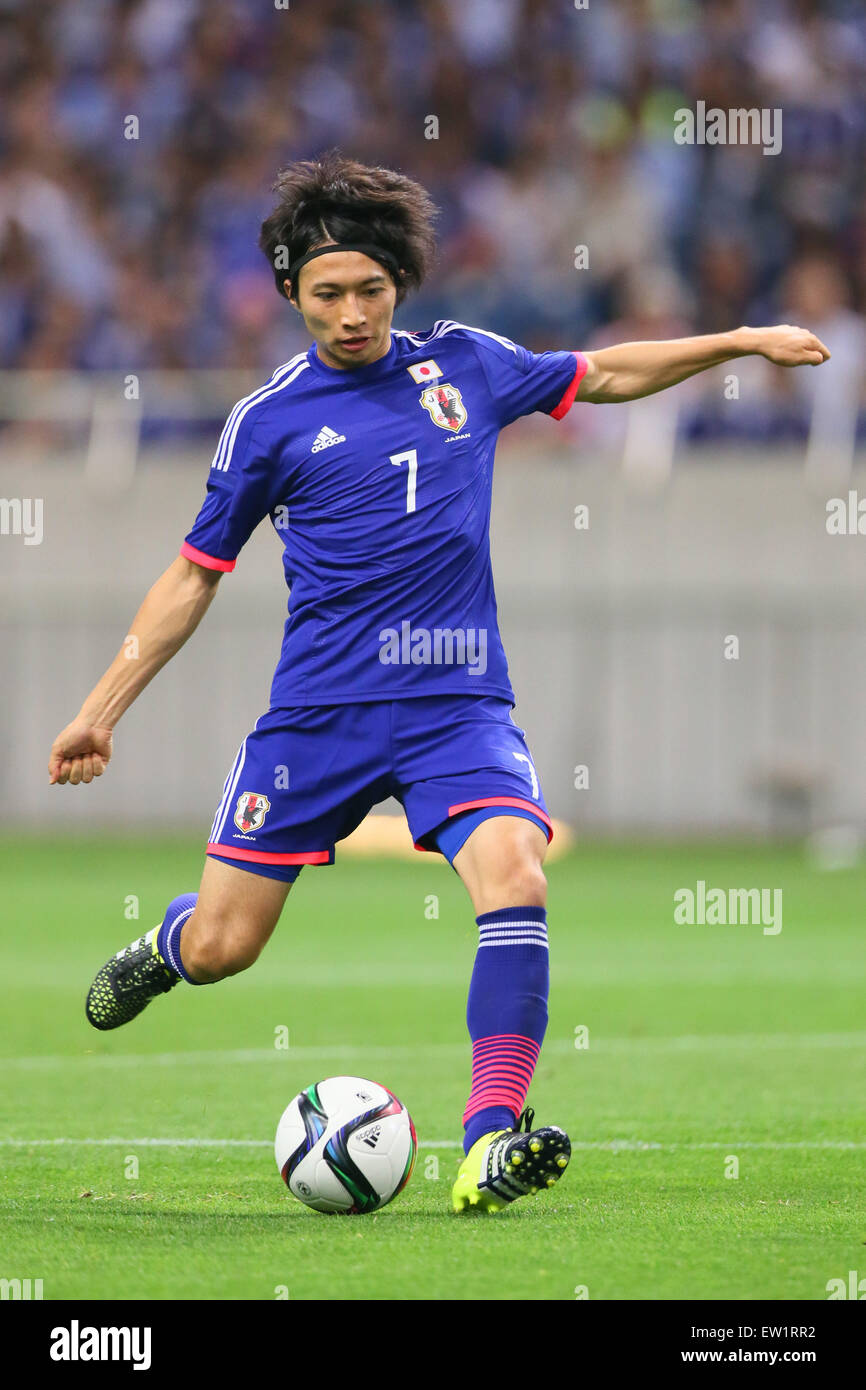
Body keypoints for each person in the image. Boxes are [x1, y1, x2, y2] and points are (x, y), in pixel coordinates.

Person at [48, 150, 830, 1215]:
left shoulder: (464, 363)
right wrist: (98, 714)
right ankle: (168, 946)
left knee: (516, 869)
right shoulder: (267, 422)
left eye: (370, 288)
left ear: (397, 285)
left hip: (456, 704)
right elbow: (192, 574)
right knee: (229, 945)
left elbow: (601, 372)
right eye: (327, 293)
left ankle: (485, 1140)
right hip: (316, 715)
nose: (352, 311)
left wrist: (737, 340)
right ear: (290, 294)